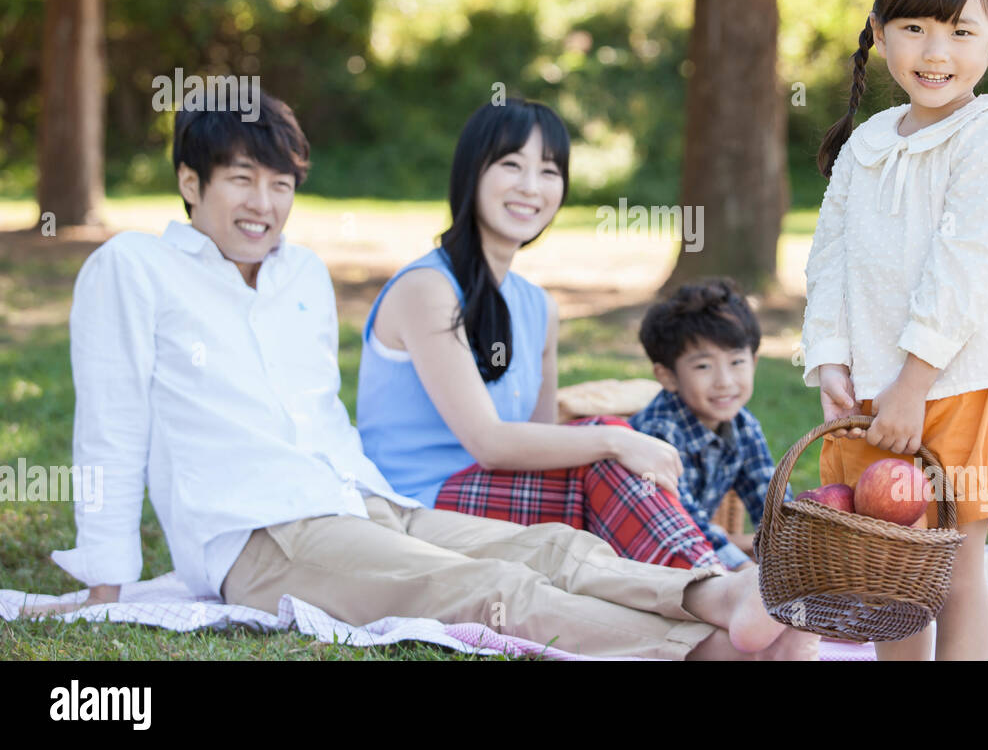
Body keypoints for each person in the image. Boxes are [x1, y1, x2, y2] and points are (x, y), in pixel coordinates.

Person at [27, 91, 817, 661]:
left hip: (366, 499)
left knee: (542, 548)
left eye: (281, 183)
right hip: (259, 538)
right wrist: (107, 577)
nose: (264, 203)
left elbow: (319, 412)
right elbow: (111, 423)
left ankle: (720, 596)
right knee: (474, 589)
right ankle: (707, 650)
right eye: (241, 179)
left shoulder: (298, 272)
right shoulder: (134, 267)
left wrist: (379, 506)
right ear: (191, 185)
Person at [801, 0, 988, 661]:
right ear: (880, 34)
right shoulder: (866, 143)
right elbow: (830, 260)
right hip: (878, 393)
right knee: (892, 570)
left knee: (952, 569)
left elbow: (966, 265)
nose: (934, 52)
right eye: (913, 28)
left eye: (960, 31)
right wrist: (830, 360)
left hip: (960, 384)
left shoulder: (987, 139)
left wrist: (915, 380)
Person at [356, 100, 723, 571]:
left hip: (500, 493)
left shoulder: (537, 305)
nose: (531, 187)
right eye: (511, 164)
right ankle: (711, 580)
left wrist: (616, 443)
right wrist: (615, 438)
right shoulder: (426, 289)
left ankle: (705, 582)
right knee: (609, 443)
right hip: (417, 507)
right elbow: (490, 444)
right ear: (473, 172)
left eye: (549, 171)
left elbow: (544, 440)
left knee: (607, 462)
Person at [629, 279, 793, 571]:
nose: (724, 381)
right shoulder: (659, 434)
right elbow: (684, 523)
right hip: (640, 552)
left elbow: (772, 503)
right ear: (667, 376)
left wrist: (790, 548)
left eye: (737, 362)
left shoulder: (743, 426)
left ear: (754, 362)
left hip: (693, 547)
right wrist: (746, 571)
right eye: (703, 366)